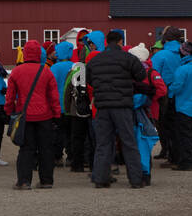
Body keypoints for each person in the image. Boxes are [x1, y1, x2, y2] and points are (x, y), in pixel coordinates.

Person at [87, 29, 147, 188]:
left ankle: (100, 178)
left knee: (103, 143)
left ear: (106, 42)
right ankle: (136, 180)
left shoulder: (95, 60)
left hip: (102, 106)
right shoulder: (129, 58)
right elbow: (141, 76)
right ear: (121, 42)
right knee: (129, 142)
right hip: (123, 106)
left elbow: (89, 80)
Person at [4, 40, 62, 189]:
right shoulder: (46, 71)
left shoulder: (17, 71)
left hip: (25, 116)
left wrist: (9, 111)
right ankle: (46, 181)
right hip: (45, 115)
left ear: (25, 53)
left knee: (26, 148)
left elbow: (10, 96)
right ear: (39, 54)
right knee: (46, 149)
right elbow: (53, 96)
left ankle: (24, 181)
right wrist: (56, 114)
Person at [129, 44, 165, 187]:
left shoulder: (151, 72)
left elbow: (162, 90)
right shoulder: (139, 72)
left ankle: (145, 173)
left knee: (143, 142)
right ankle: (142, 173)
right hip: (140, 111)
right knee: (140, 142)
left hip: (148, 112)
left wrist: (148, 100)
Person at [168, 42, 192, 170]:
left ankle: (186, 162)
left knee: (185, 135)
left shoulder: (182, 69)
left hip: (183, 106)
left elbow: (177, 87)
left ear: (183, 53)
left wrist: (169, 90)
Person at [151, 28, 184, 163]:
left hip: (164, 94)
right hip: (182, 94)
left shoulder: (160, 55)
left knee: (164, 125)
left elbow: (152, 75)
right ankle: (175, 153)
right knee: (179, 125)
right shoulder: (184, 53)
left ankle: (170, 153)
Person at [62, 54, 94, 172]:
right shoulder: (96, 72)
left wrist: (67, 110)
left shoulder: (76, 71)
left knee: (77, 138)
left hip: (76, 111)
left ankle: (77, 165)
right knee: (92, 138)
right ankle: (92, 164)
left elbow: (67, 91)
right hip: (92, 111)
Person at [49, 41, 76, 165]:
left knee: (57, 133)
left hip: (58, 105)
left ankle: (57, 157)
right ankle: (71, 156)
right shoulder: (75, 66)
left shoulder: (54, 67)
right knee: (71, 132)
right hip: (71, 104)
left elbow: (50, 86)